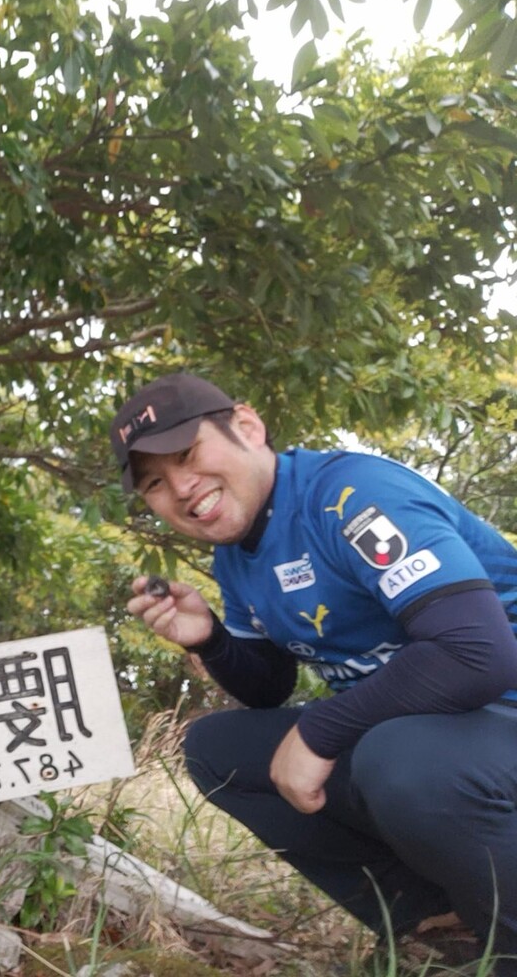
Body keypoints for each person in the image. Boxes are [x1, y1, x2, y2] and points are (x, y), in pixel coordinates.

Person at [111, 373, 517, 970]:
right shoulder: (238, 554)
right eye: (154, 483)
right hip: (437, 732)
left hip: (496, 707)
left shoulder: (352, 496)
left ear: (247, 426)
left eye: (187, 455)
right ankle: (438, 927)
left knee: (396, 758)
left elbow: (478, 650)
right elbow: (270, 687)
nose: (180, 486)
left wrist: (321, 730)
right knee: (217, 750)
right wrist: (211, 639)